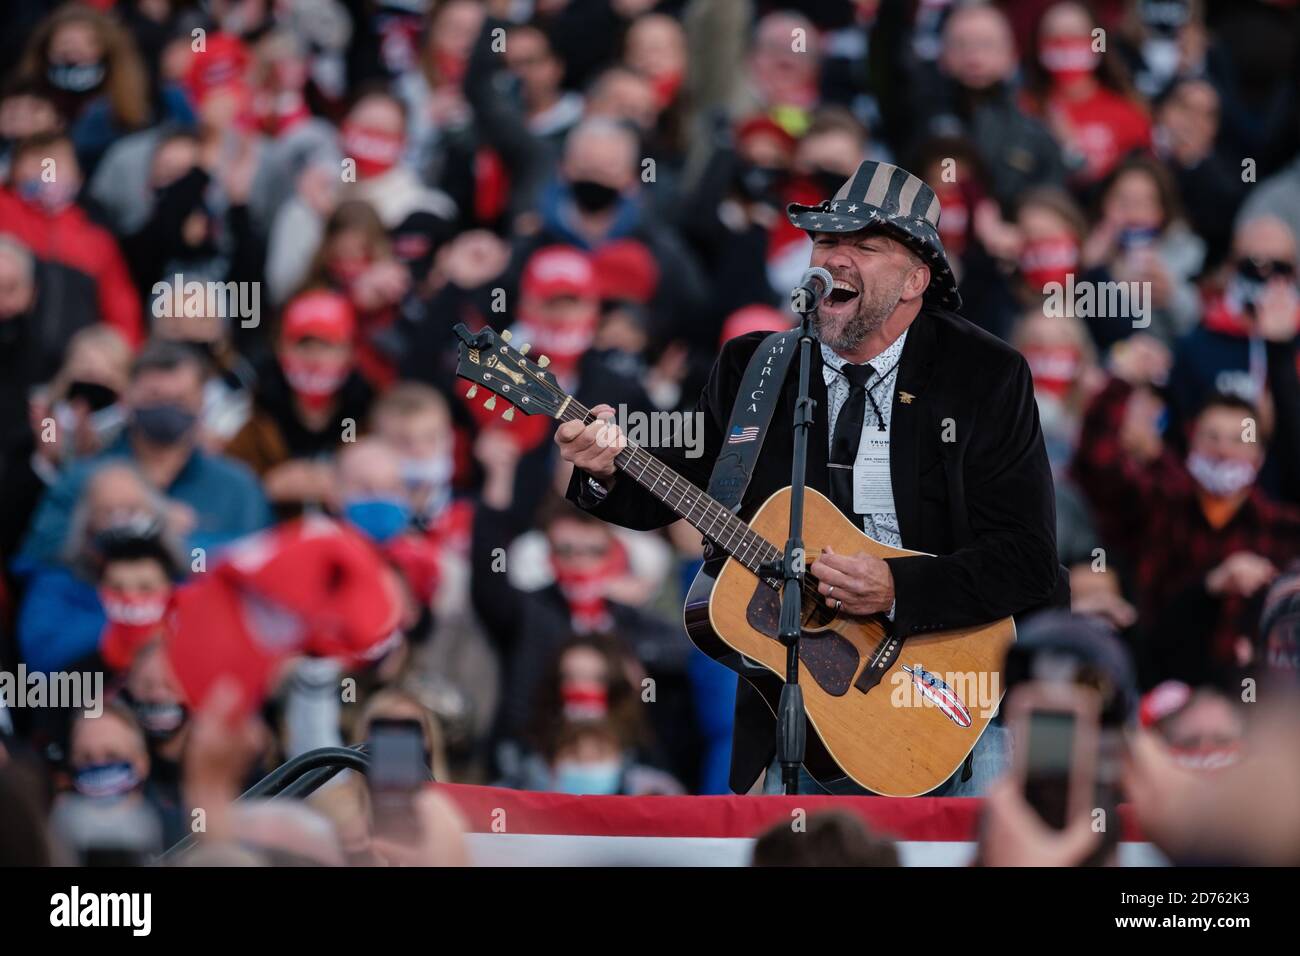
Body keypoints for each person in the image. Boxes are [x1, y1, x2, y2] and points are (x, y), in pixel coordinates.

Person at [557, 159, 1066, 796]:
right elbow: (682, 481)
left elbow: (1027, 560)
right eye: (826, 240)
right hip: (797, 706)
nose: (835, 258)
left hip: (952, 695)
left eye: (863, 245)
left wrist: (893, 586)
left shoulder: (984, 374)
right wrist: (603, 468)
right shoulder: (758, 366)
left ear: (915, 279)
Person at [17, 340, 272, 568]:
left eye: (180, 399)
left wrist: (182, 543)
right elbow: (35, 562)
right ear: (128, 397)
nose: (167, 408)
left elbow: (263, 567)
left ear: (202, 402)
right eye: (155, 396)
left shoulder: (237, 486)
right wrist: (103, 532)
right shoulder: (84, 478)